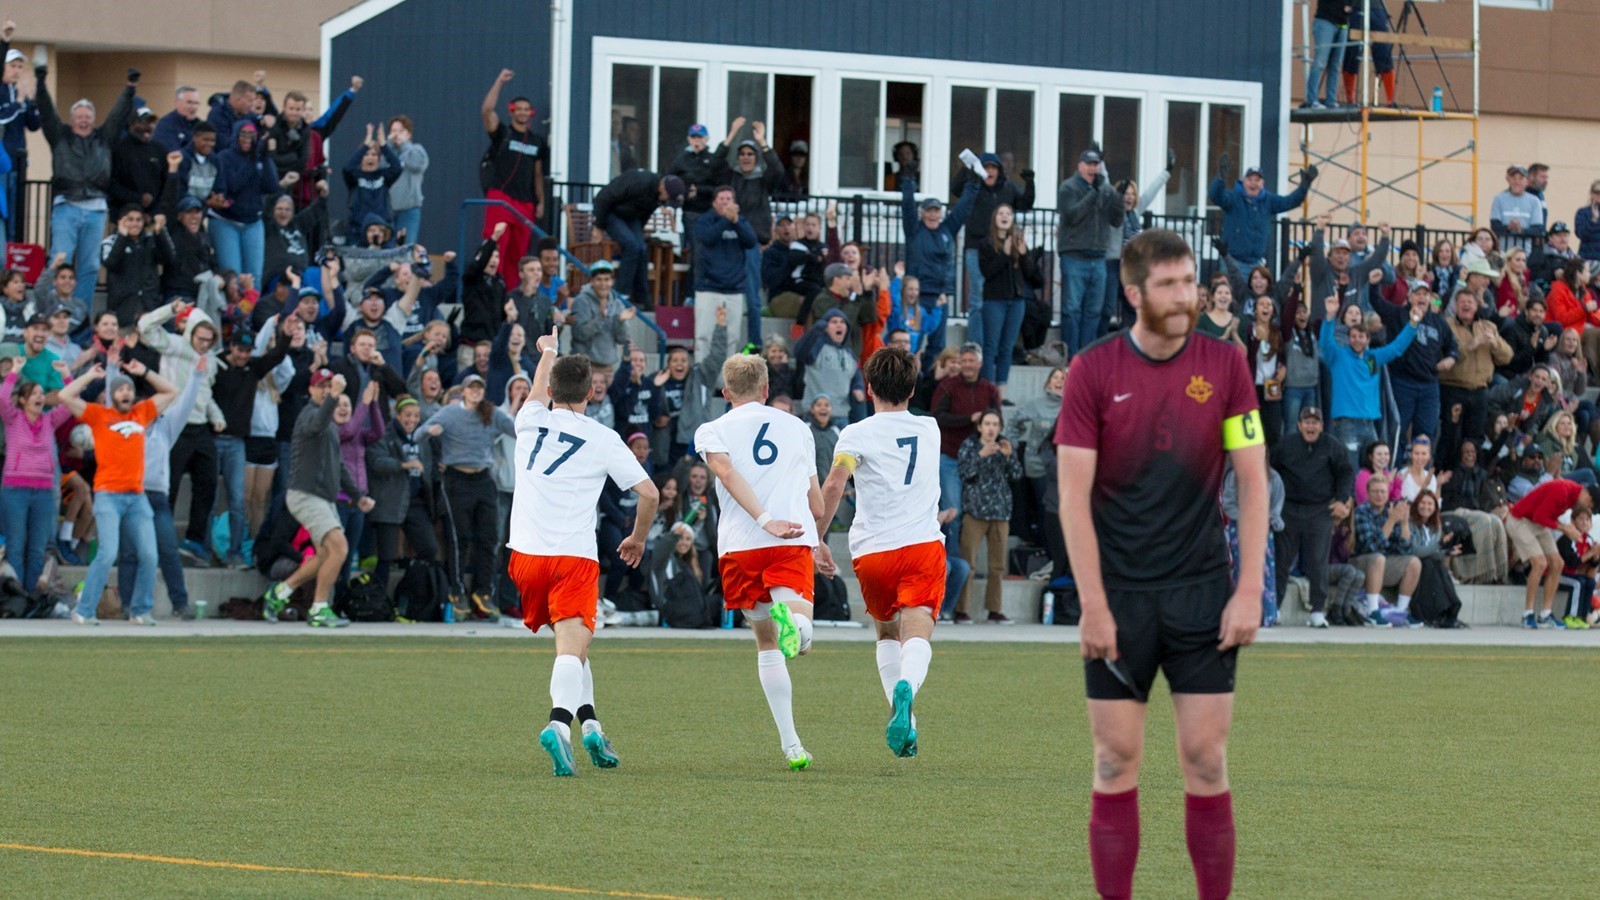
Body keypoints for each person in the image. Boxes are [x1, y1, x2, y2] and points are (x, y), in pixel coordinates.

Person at [1056, 229, 1267, 900]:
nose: (1186, 296)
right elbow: (1072, 495)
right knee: (1115, 759)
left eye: (1190, 282)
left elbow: (1254, 481)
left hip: (1203, 591)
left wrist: (1249, 588)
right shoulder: (1093, 372)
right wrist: (1091, 604)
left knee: (1206, 760)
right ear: (1134, 293)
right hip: (1118, 597)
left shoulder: (1227, 365)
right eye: (1171, 284)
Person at [509, 326, 657, 775]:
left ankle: (591, 725)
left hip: (524, 557)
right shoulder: (603, 438)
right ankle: (559, 726)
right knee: (571, 647)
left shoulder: (528, 419)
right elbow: (648, 494)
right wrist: (637, 538)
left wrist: (548, 349)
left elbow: (536, 388)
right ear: (591, 393)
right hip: (573, 557)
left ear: (552, 388)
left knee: (574, 644)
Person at [695, 353, 824, 771]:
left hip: (739, 546)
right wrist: (808, 532)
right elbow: (817, 503)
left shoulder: (711, 429)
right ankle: (800, 628)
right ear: (767, 390)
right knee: (800, 639)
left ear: (726, 392)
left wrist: (760, 520)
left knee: (766, 644)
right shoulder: (798, 427)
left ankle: (792, 745)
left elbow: (728, 474)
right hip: (790, 537)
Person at [816, 347, 943, 757]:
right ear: (911, 387)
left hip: (873, 552)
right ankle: (908, 688)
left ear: (868, 387)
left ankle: (906, 719)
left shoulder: (855, 434)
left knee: (887, 632)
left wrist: (817, 537)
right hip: (922, 545)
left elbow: (835, 485)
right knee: (918, 628)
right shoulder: (930, 428)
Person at [62, 355, 180, 625]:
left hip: (137, 497)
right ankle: (84, 610)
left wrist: (145, 371)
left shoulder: (142, 413)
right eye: (121, 388)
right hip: (108, 496)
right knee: (107, 553)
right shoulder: (99, 415)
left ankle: (140, 610)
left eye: (129, 388)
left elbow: (172, 391)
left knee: (150, 554)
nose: (126, 392)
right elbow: (66, 395)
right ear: (112, 394)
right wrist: (91, 377)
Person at [261, 369, 376, 628]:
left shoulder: (329, 424)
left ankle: (280, 593)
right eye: (321, 386)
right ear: (311, 390)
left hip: (322, 497)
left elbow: (339, 465)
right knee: (340, 547)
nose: (326, 390)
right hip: (306, 494)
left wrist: (358, 497)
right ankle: (319, 608)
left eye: (329, 386)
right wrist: (334, 396)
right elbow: (316, 424)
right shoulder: (309, 415)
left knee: (325, 554)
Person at [37, 66, 137, 308]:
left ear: (93, 120)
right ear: (71, 120)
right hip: (66, 206)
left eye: (88, 117)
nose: (84, 120)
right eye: (79, 116)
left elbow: (117, 115)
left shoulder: (104, 139)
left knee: (91, 265)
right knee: (61, 261)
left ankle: (79, 317)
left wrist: (129, 89)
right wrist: (40, 83)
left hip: (96, 208)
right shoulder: (60, 137)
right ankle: (55, 309)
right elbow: (47, 112)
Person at [422, 373, 515, 619]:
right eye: (471, 388)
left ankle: (483, 592)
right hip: (457, 479)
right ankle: (457, 591)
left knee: (489, 538)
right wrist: (432, 431)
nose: (475, 391)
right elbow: (420, 432)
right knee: (459, 538)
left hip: (484, 478)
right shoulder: (451, 413)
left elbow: (516, 430)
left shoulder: (491, 412)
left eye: (479, 388)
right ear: (463, 391)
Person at [0, 364, 83, 592]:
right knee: (16, 546)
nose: (40, 396)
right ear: (23, 400)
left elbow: (71, 400)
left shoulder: (50, 420)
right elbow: (2, 398)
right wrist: (14, 372)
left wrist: (67, 375)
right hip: (15, 491)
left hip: (44, 493)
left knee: (38, 548)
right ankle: (16, 597)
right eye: (34, 393)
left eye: (41, 393)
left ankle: (31, 598)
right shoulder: (12, 418)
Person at [1271, 406, 1353, 628]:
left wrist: (1341, 498)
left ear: (1321, 425)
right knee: (1281, 561)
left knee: (1318, 562)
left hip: (1320, 510)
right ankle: (1274, 609)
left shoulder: (1332, 445)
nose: (1311, 426)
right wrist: (1272, 503)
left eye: (1315, 422)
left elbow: (1345, 472)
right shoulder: (1286, 445)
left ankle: (1318, 611)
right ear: (1299, 425)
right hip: (1289, 509)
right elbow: (1270, 471)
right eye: (1306, 422)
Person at [1322, 294, 1418, 461]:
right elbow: (1325, 342)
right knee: (1350, 471)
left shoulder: (1373, 358)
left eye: (1361, 337)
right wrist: (1330, 317)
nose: (1357, 340)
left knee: (1373, 472)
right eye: (1353, 337)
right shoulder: (1338, 356)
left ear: (1367, 339)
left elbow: (1397, 348)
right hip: (1346, 423)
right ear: (1348, 338)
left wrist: (1413, 324)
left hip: (1370, 423)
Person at [901, 157, 978, 365]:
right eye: (929, 211)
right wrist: (908, 179)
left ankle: (926, 383)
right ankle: (906, 384)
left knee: (937, 346)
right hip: (915, 297)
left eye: (937, 211)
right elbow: (907, 205)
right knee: (912, 342)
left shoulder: (947, 230)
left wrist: (973, 182)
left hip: (939, 298)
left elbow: (962, 209)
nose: (933, 215)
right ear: (923, 213)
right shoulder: (914, 230)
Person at [957, 153, 1035, 347]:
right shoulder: (974, 187)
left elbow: (1025, 204)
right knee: (977, 299)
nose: (990, 171)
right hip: (976, 248)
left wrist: (1030, 183)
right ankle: (975, 345)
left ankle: (992, 343)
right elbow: (955, 189)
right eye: (986, 167)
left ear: (999, 171)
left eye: (994, 168)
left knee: (996, 299)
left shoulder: (1007, 189)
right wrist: (968, 169)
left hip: (1002, 250)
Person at [479, 69, 546, 288]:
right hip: (501, 197)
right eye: (519, 109)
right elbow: (487, 110)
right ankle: (490, 288)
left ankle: (509, 297)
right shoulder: (502, 133)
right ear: (512, 111)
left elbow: (537, 173)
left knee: (518, 255)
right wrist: (499, 81)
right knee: (496, 245)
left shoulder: (537, 141)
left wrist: (541, 201)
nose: (523, 113)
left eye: (527, 109)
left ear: (531, 113)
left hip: (525, 202)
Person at [956, 409, 1022, 624]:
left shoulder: (1006, 446)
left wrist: (1009, 456)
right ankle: (961, 610)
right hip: (975, 512)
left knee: (998, 566)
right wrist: (980, 456)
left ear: (1000, 428)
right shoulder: (969, 446)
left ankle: (994, 610)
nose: (991, 428)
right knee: (969, 563)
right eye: (988, 424)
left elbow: (1017, 475)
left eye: (995, 424)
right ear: (980, 427)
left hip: (1001, 513)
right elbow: (964, 473)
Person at [1056, 147, 1125, 353]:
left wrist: (1118, 199)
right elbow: (1071, 216)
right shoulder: (1068, 187)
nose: (1092, 168)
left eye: (1096, 164)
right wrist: (1093, 194)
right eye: (1089, 164)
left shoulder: (1105, 188)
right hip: (1074, 256)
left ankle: (1085, 356)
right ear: (1080, 166)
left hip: (1099, 258)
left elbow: (1116, 220)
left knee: (1094, 312)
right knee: (1071, 310)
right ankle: (1071, 356)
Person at [591, 167, 686, 310]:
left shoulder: (657, 197)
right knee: (631, 246)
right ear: (662, 189)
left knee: (641, 248)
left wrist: (639, 234)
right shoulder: (639, 183)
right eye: (669, 197)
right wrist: (598, 226)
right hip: (611, 212)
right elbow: (604, 197)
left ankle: (642, 297)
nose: (667, 202)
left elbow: (644, 215)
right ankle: (621, 294)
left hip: (631, 216)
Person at [1507, 478, 1596, 629]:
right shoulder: (1563, 491)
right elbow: (1539, 516)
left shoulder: (1573, 497)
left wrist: (1566, 528)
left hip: (1537, 522)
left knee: (1557, 563)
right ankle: (1528, 613)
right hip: (1520, 520)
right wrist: (1565, 528)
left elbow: (1545, 516)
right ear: (1588, 498)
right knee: (1540, 563)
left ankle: (1545, 614)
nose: (1588, 508)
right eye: (1590, 505)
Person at [1007, 366, 1069, 579]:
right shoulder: (1035, 405)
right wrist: (1012, 444)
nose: (1059, 381)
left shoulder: (1072, 406)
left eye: (1064, 378)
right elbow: (1013, 423)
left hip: (1064, 469)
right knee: (1046, 511)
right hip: (1037, 465)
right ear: (1048, 382)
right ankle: (1050, 554)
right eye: (1056, 377)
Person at [976, 203, 1041, 397]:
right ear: (995, 218)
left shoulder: (1018, 242)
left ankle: (1000, 394)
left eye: (1009, 214)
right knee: (991, 347)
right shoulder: (986, 244)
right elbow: (988, 272)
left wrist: (1024, 256)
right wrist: (1004, 254)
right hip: (995, 301)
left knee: (1007, 348)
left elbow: (1033, 277)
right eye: (1001, 214)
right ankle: (988, 392)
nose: (1005, 217)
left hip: (1017, 301)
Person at [930, 344, 1000, 521]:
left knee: (976, 512)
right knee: (953, 511)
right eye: (964, 361)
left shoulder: (990, 389)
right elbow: (937, 417)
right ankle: (951, 550)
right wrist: (969, 419)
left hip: (980, 458)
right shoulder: (947, 387)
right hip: (951, 457)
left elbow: (998, 421)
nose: (967, 364)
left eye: (971, 360)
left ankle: (967, 549)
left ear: (980, 363)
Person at [1208, 155, 1314, 271]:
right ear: (1243, 182)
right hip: (1232, 262)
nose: (1253, 183)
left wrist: (1304, 185)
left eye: (1257, 180)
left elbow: (1290, 202)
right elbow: (1216, 196)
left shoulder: (1269, 200)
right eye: (1250, 179)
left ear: (1262, 184)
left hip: (1256, 266)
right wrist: (1220, 178)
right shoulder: (1234, 197)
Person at [1350, 470, 1423, 627]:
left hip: (1383, 565)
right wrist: (1391, 521)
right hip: (1361, 564)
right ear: (1368, 493)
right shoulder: (1361, 512)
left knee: (1414, 562)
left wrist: (1403, 523)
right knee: (1378, 557)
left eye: (1383, 491)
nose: (1379, 495)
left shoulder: (1392, 511)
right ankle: (1373, 611)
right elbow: (1371, 546)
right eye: (1375, 491)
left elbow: (1405, 550)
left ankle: (1401, 610)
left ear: (1388, 492)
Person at [692, 185, 757, 358]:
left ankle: (725, 382)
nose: (725, 202)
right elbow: (707, 238)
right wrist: (726, 220)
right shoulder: (705, 220)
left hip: (734, 290)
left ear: (734, 203)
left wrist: (735, 221)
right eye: (721, 199)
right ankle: (702, 381)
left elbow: (751, 241)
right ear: (714, 203)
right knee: (704, 337)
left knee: (732, 339)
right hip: (708, 288)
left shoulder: (741, 222)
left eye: (729, 199)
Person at [341, 124, 402, 245]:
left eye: (374, 155)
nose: (370, 158)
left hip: (382, 230)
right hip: (357, 230)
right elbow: (346, 168)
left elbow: (397, 167)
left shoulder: (384, 176)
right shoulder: (354, 176)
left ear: (379, 159)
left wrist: (383, 145)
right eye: (366, 154)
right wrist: (365, 146)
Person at [385, 115, 427, 244]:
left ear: (409, 134)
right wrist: (386, 146)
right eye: (393, 131)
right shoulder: (385, 152)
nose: (396, 135)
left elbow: (416, 164)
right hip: (386, 210)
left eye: (401, 131)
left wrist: (404, 145)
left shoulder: (417, 150)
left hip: (408, 209)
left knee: (406, 248)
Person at [1304, 0, 1349, 108]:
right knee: (1320, 62)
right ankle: (1312, 99)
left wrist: (1351, 5)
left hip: (1343, 24)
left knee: (1336, 65)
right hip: (1325, 21)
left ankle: (1331, 99)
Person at [1491, 165, 1545, 253]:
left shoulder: (1534, 201)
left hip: (1525, 253)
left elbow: (1538, 229)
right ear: (1509, 180)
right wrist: (1508, 227)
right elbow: (1494, 226)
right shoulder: (1499, 199)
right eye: (1514, 178)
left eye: (1521, 178)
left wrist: (1521, 230)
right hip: (1502, 251)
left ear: (1527, 181)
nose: (1517, 182)